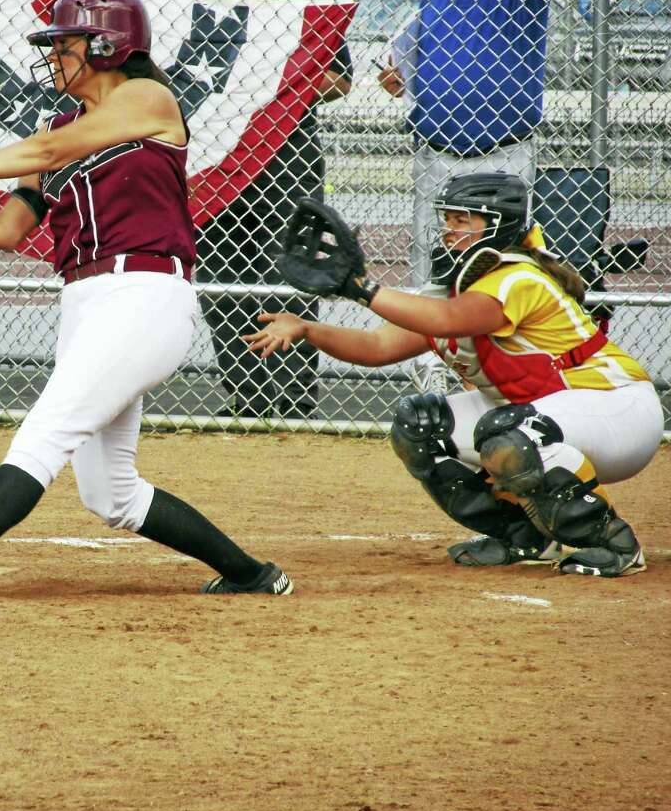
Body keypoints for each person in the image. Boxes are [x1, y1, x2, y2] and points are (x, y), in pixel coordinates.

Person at [0, 0, 293, 602]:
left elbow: (50, 153)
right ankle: (251, 574)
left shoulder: (148, 98)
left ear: (108, 44)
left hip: (144, 293)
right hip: (86, 302)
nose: (54, 56)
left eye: (65, 43)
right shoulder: (55, 125)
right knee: (110, 492)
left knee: (44, 435)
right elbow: (8, 228)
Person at [246, 173, 663, 578]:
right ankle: (525, 539)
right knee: (419, 424)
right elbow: (377, 348)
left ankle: (614, 543)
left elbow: (448, 320)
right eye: (448, 218)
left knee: (508, 431)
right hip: (544, 417)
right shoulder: (453, 291)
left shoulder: (517, 278)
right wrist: (308, 328)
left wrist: (362, 288)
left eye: (463, 220)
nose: (449, 230)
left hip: (616, 409)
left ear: (496, 225)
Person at [181, 0, 352, 420]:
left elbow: (339, 81)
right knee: (221, 271)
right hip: (219, 155)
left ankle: (296, 396)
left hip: (287, 153)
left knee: (295, 267)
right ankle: (247, 394)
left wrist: (276, 80)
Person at [377, 0, 566, 288]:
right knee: (430, 273)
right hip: (435, 154)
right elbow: (416, 65)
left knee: (499, 271)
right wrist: (399, 81)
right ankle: (430, 343)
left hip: (501, 154)